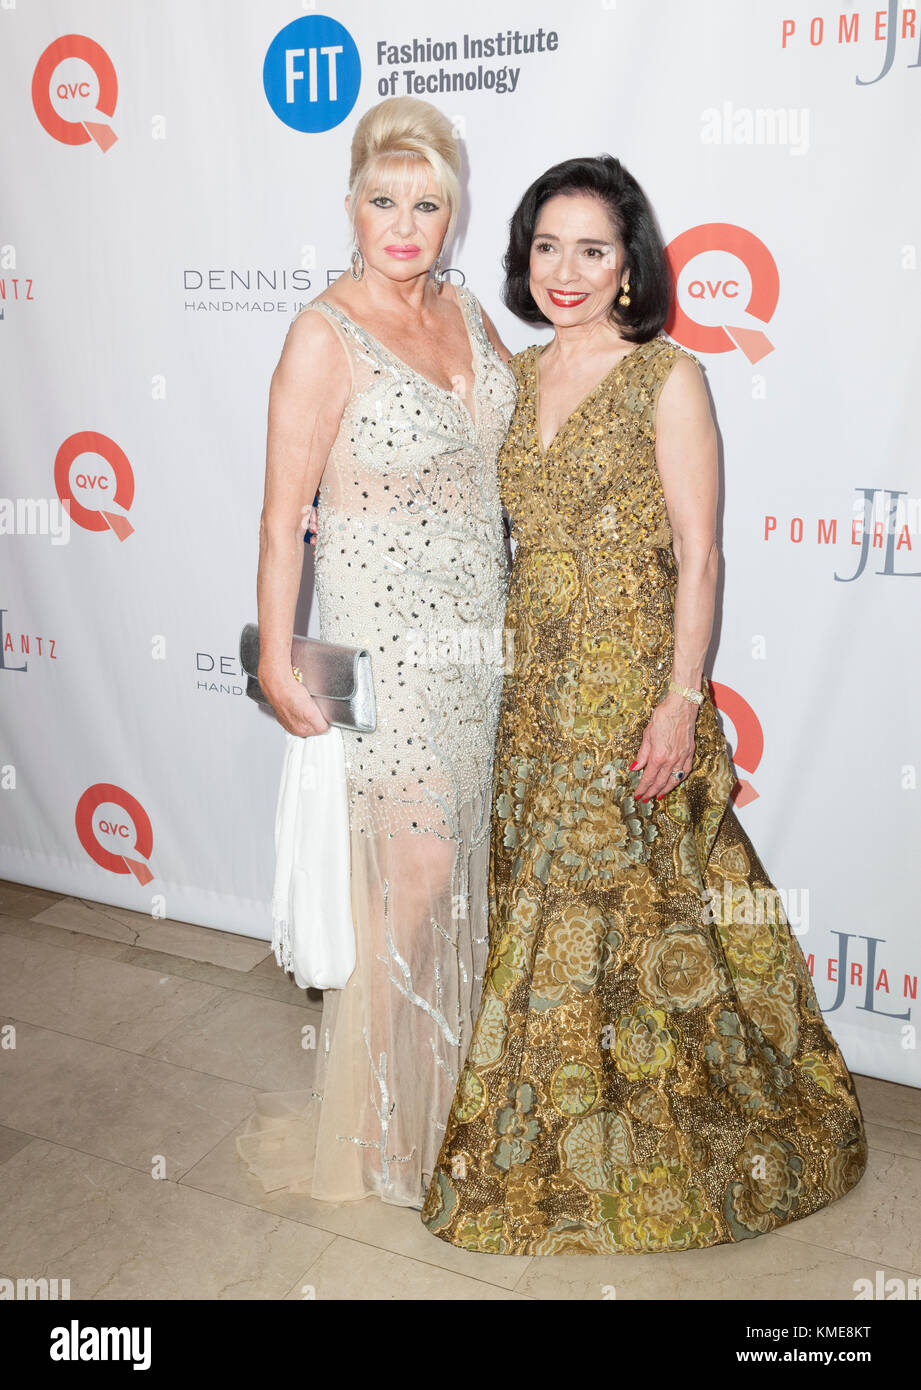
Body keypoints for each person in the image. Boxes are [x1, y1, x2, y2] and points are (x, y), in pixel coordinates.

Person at [421, 155, 868, 1254]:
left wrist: (680, 700)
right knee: (556, 916)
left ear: (630, 265)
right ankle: (557, 1141)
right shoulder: (508, 377)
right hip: (529, 689)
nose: (566, 271)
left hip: (627, 690)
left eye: (593, 249)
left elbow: (701, 554)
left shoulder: (668, 374)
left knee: (637, 922)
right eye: (546, 247)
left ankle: (675, 1145)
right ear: (522, 258)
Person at [235, 97, 517, 1209]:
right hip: (379, 638)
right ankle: (363, 1124)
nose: (406, 224)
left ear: (452, 215)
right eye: (384, 200)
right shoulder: (323, 330)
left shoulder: (467, 312)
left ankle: (433, 1094)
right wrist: (273, 659)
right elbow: (279, 518)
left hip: (472, 642)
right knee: (415, 874)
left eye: (428, 203)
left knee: (444, 871)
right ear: (349, 204)